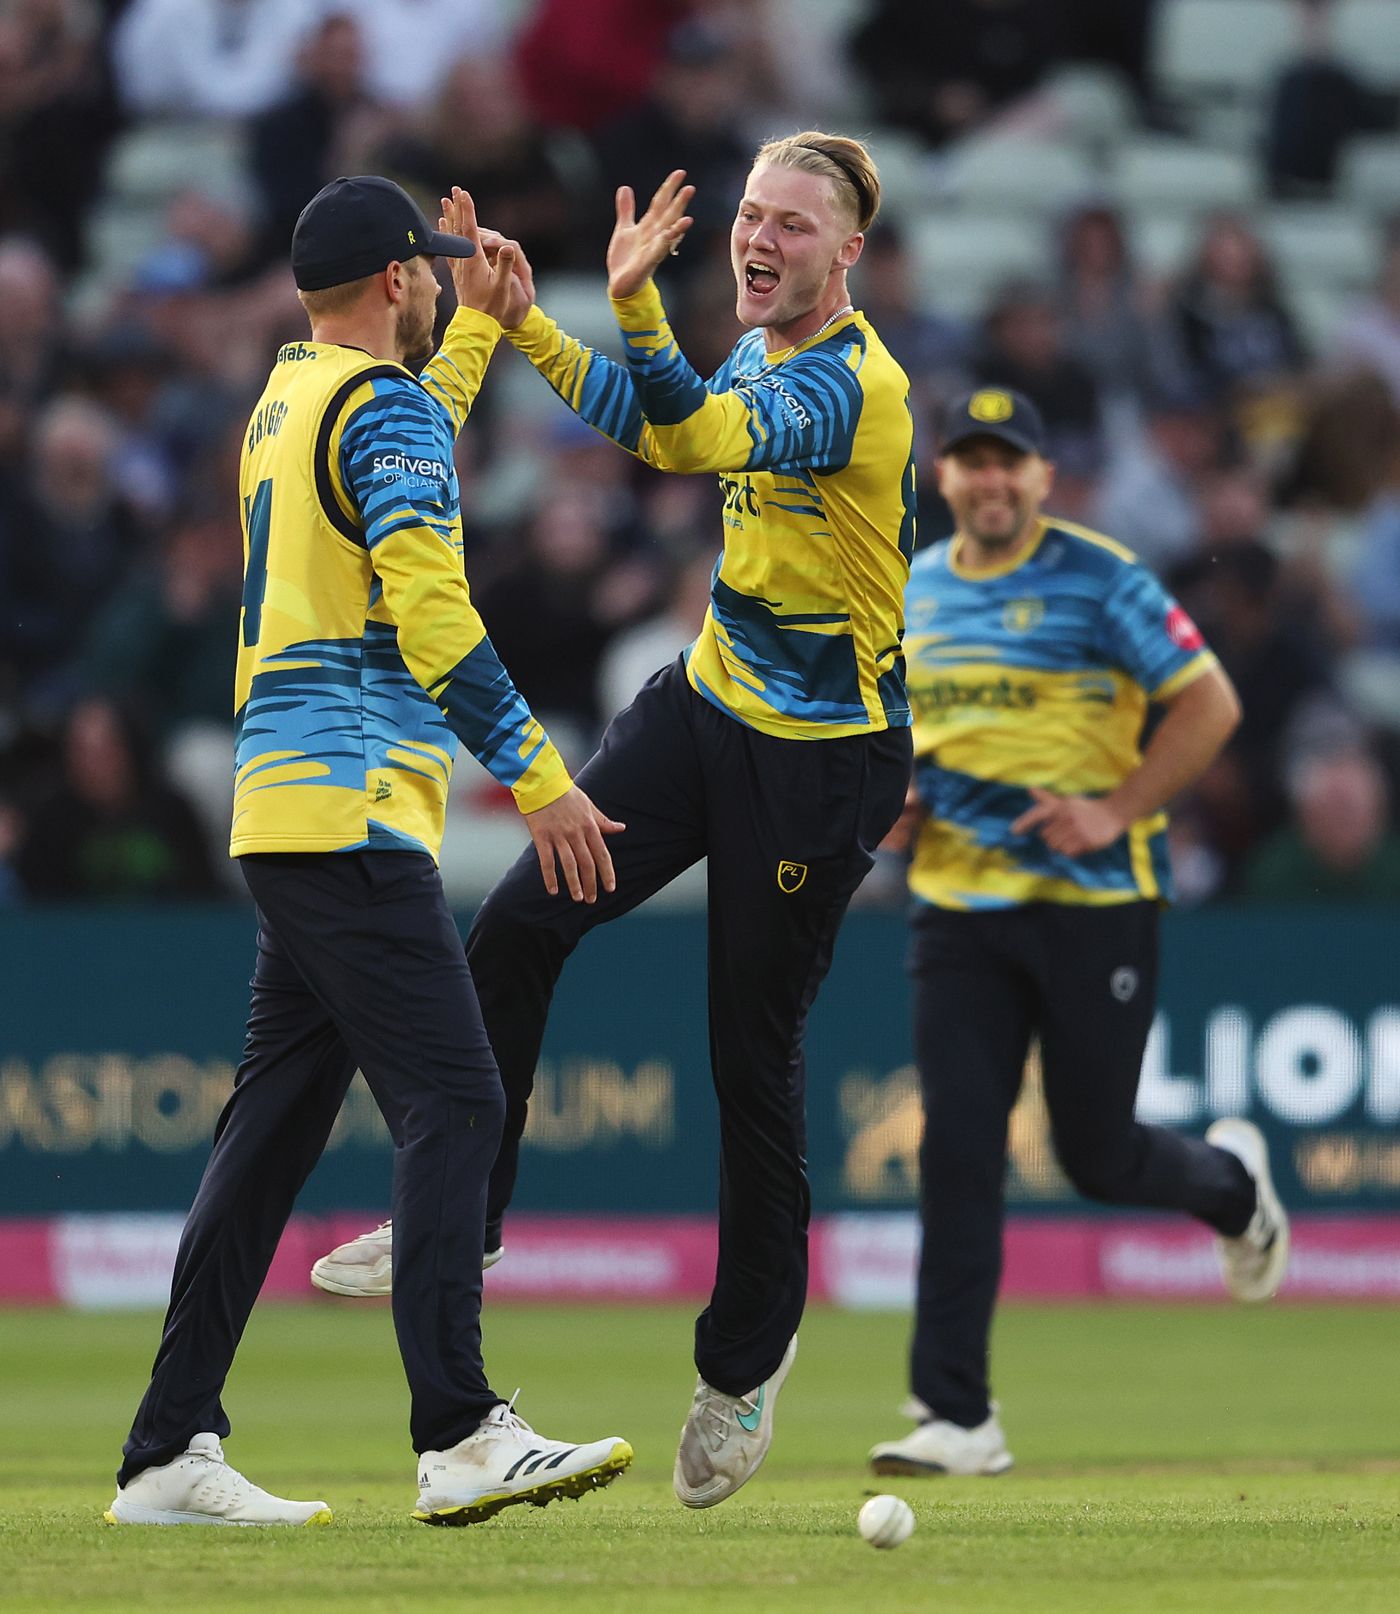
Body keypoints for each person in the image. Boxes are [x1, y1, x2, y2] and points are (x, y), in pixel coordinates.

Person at [314, 133, 915, 1508]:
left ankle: (744, 1361)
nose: (763, 239)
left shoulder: (849, 384)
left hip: (818, 765)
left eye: (794, 226)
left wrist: (630, 302)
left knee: (746, 1055)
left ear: (849, 255)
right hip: (709, 705)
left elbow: (693, 436)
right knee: (522, 918)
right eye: (753, 215)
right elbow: (660, 425)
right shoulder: (769, 350)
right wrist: (528, 324)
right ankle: (459, 1224)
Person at [105, 176, 632, 1528]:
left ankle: (169, 1447)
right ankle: (457, 1430)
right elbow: (433, 604)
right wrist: (541, 778)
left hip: (288, 808)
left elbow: (398, 456)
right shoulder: (375, 408)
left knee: (271, 1136)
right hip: (351, 809)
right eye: (432, 270)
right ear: (399, 278)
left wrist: (473, 333)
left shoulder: (291, 399)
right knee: (458, 1100)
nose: (441, 281)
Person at [867, 389, 1289, 1480]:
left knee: (1094, 1155)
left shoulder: (1101, 576)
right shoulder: (909, 590)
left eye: (1010, 463)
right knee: (957, 1151)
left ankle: (1233, 1189)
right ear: (943, 476)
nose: (990, 480)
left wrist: (1113, 809)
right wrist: (892, 800)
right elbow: (887, 738)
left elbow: (1208, 706)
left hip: (1094, 904)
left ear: (1043, 477)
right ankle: (954, 1414)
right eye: (970, 461)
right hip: (957, 907)